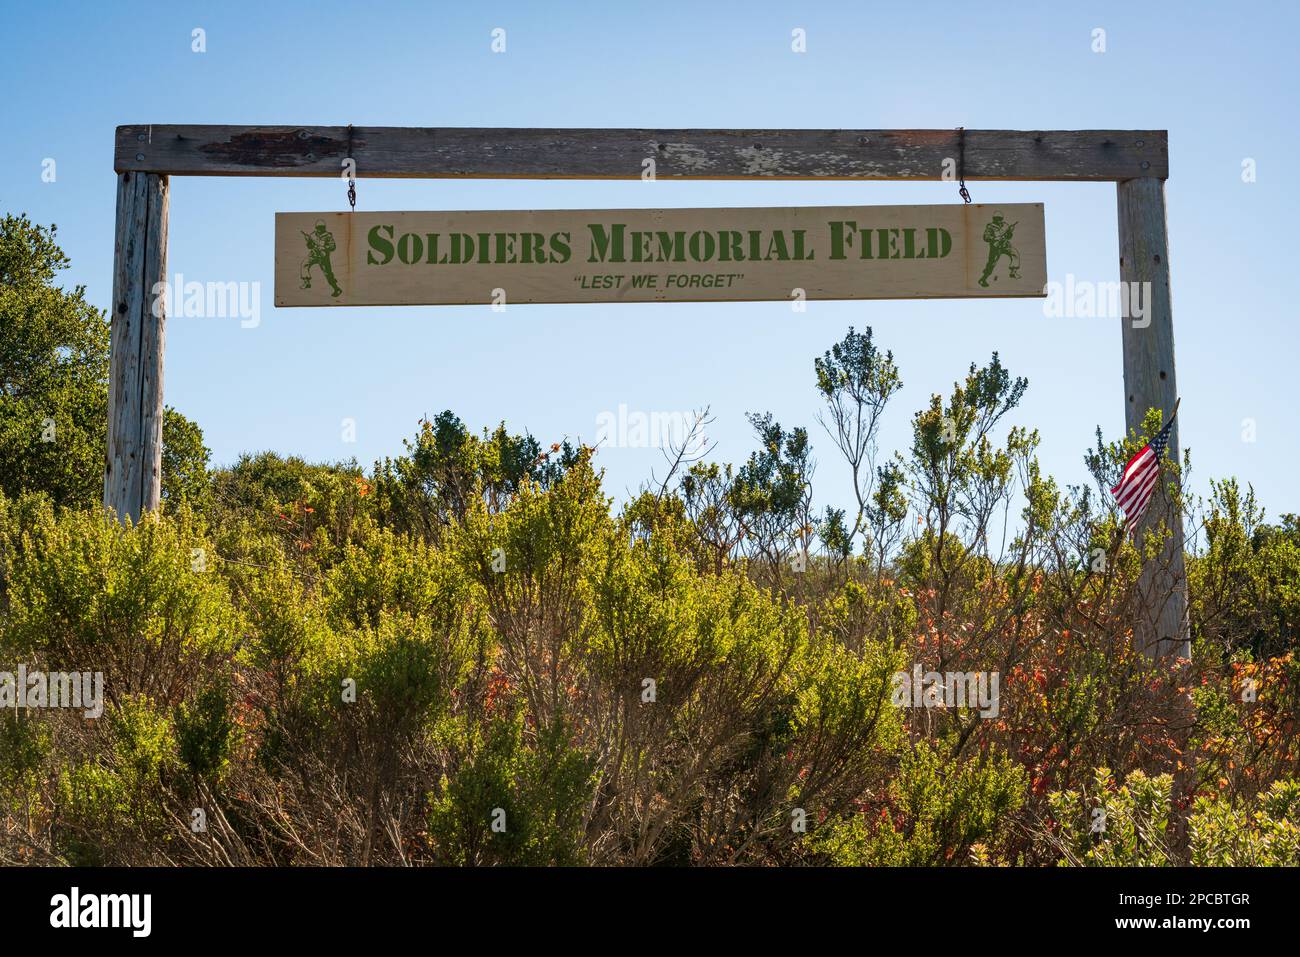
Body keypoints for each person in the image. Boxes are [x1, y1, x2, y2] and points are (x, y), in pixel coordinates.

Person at [300, 220, 342, 297]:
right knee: (304, 264)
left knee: (328, 274)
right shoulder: (313, 235)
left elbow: (333, 247)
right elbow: (310, 246)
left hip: (323, 257)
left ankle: (336, 289)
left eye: (321, 227)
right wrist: (308, 241)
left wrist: (323, 248)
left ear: (324, 228)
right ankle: (307, 282)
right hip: (314, 254)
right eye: (318, 227)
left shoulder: (328, 236)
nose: (319, 229)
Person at [978, 214, 1020, 288]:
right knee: (991, 264)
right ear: (994, 219)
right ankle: (983, 279)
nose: (999, 220)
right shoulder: (990, 227)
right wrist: (994, 238)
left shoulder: (1005, 225)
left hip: (1005, 245)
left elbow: (1009, 237)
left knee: (1015, 253)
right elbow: (986, 238)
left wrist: (1010, 231)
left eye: (1000, 218)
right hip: (996, 247)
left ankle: (1013, 272)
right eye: (997, 218)